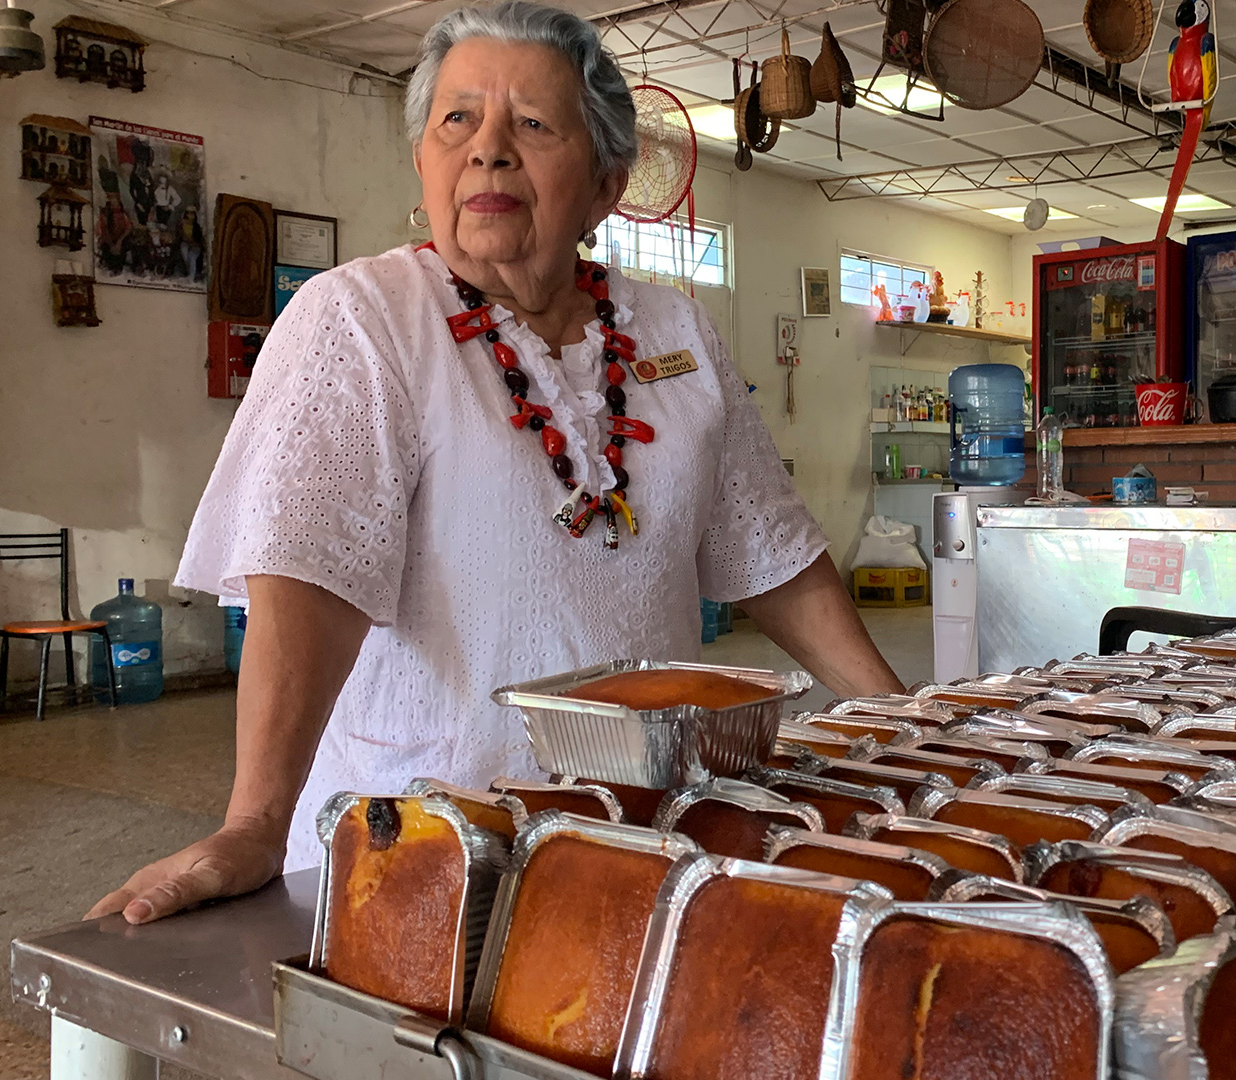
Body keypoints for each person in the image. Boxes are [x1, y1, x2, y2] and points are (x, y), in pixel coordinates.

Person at [87, 0, 904, 926]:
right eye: (458, 119)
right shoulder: (360, 318)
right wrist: (255, 822)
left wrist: (909, 724)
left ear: (606, 181)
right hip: (431, 846)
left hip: (657, 833)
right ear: (424, 160)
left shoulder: (674, 329)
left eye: (534, 124)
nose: (489, 149)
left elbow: (767, 548)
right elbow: (306, 573)